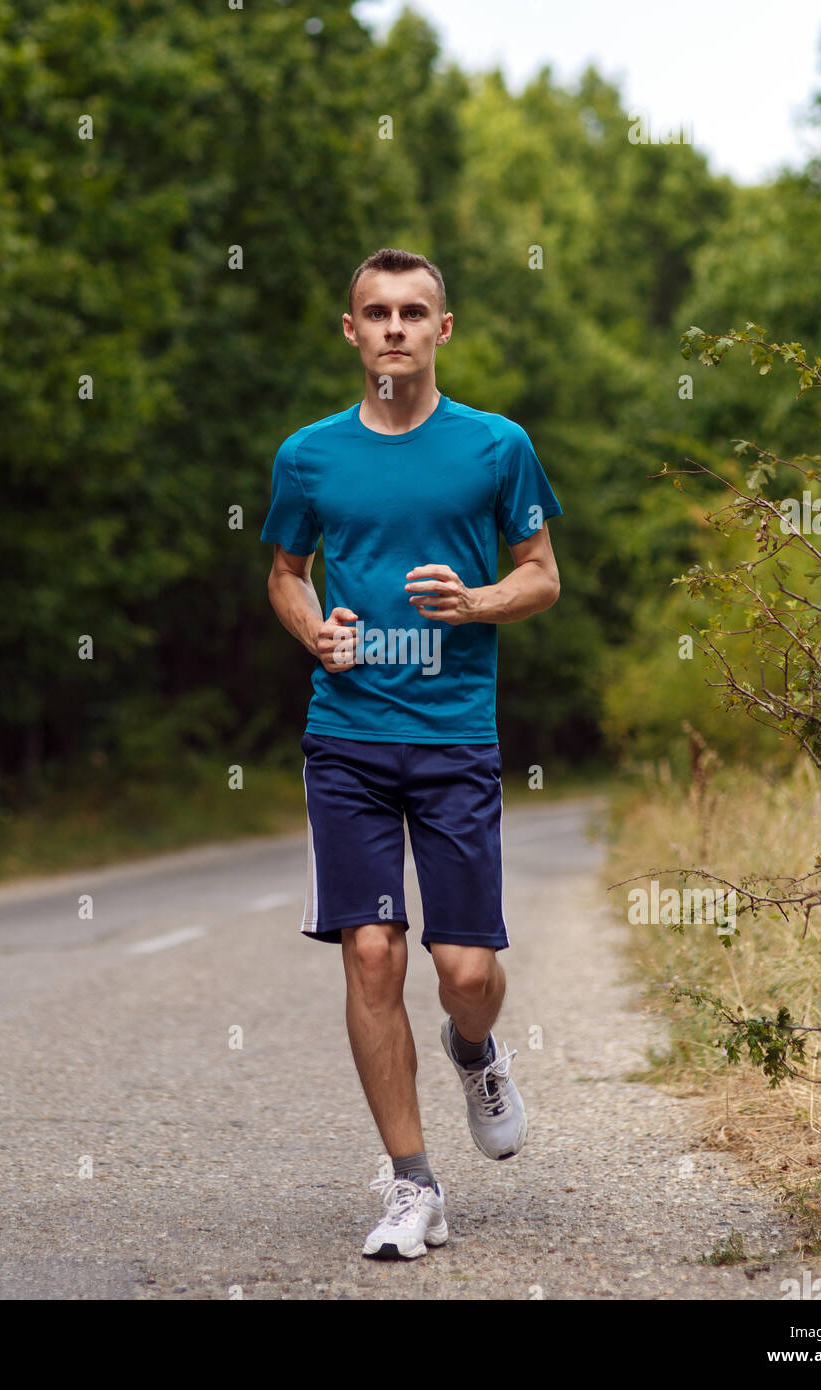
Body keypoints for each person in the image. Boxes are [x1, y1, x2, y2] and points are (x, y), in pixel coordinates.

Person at [261, 247, 562, 1259]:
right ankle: (410, 1184)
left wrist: (476, 601)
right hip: (345, 736)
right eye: (375, 311)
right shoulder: (306, 455)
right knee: (374, 949)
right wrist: (315, 634)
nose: (393, 327)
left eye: (412, 312)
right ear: (349, 329)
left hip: (453, 740)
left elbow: (541, 577)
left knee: (464, 967)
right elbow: (285, 574)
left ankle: (473, 1049)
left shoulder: (495, 448)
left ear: (443, 329)